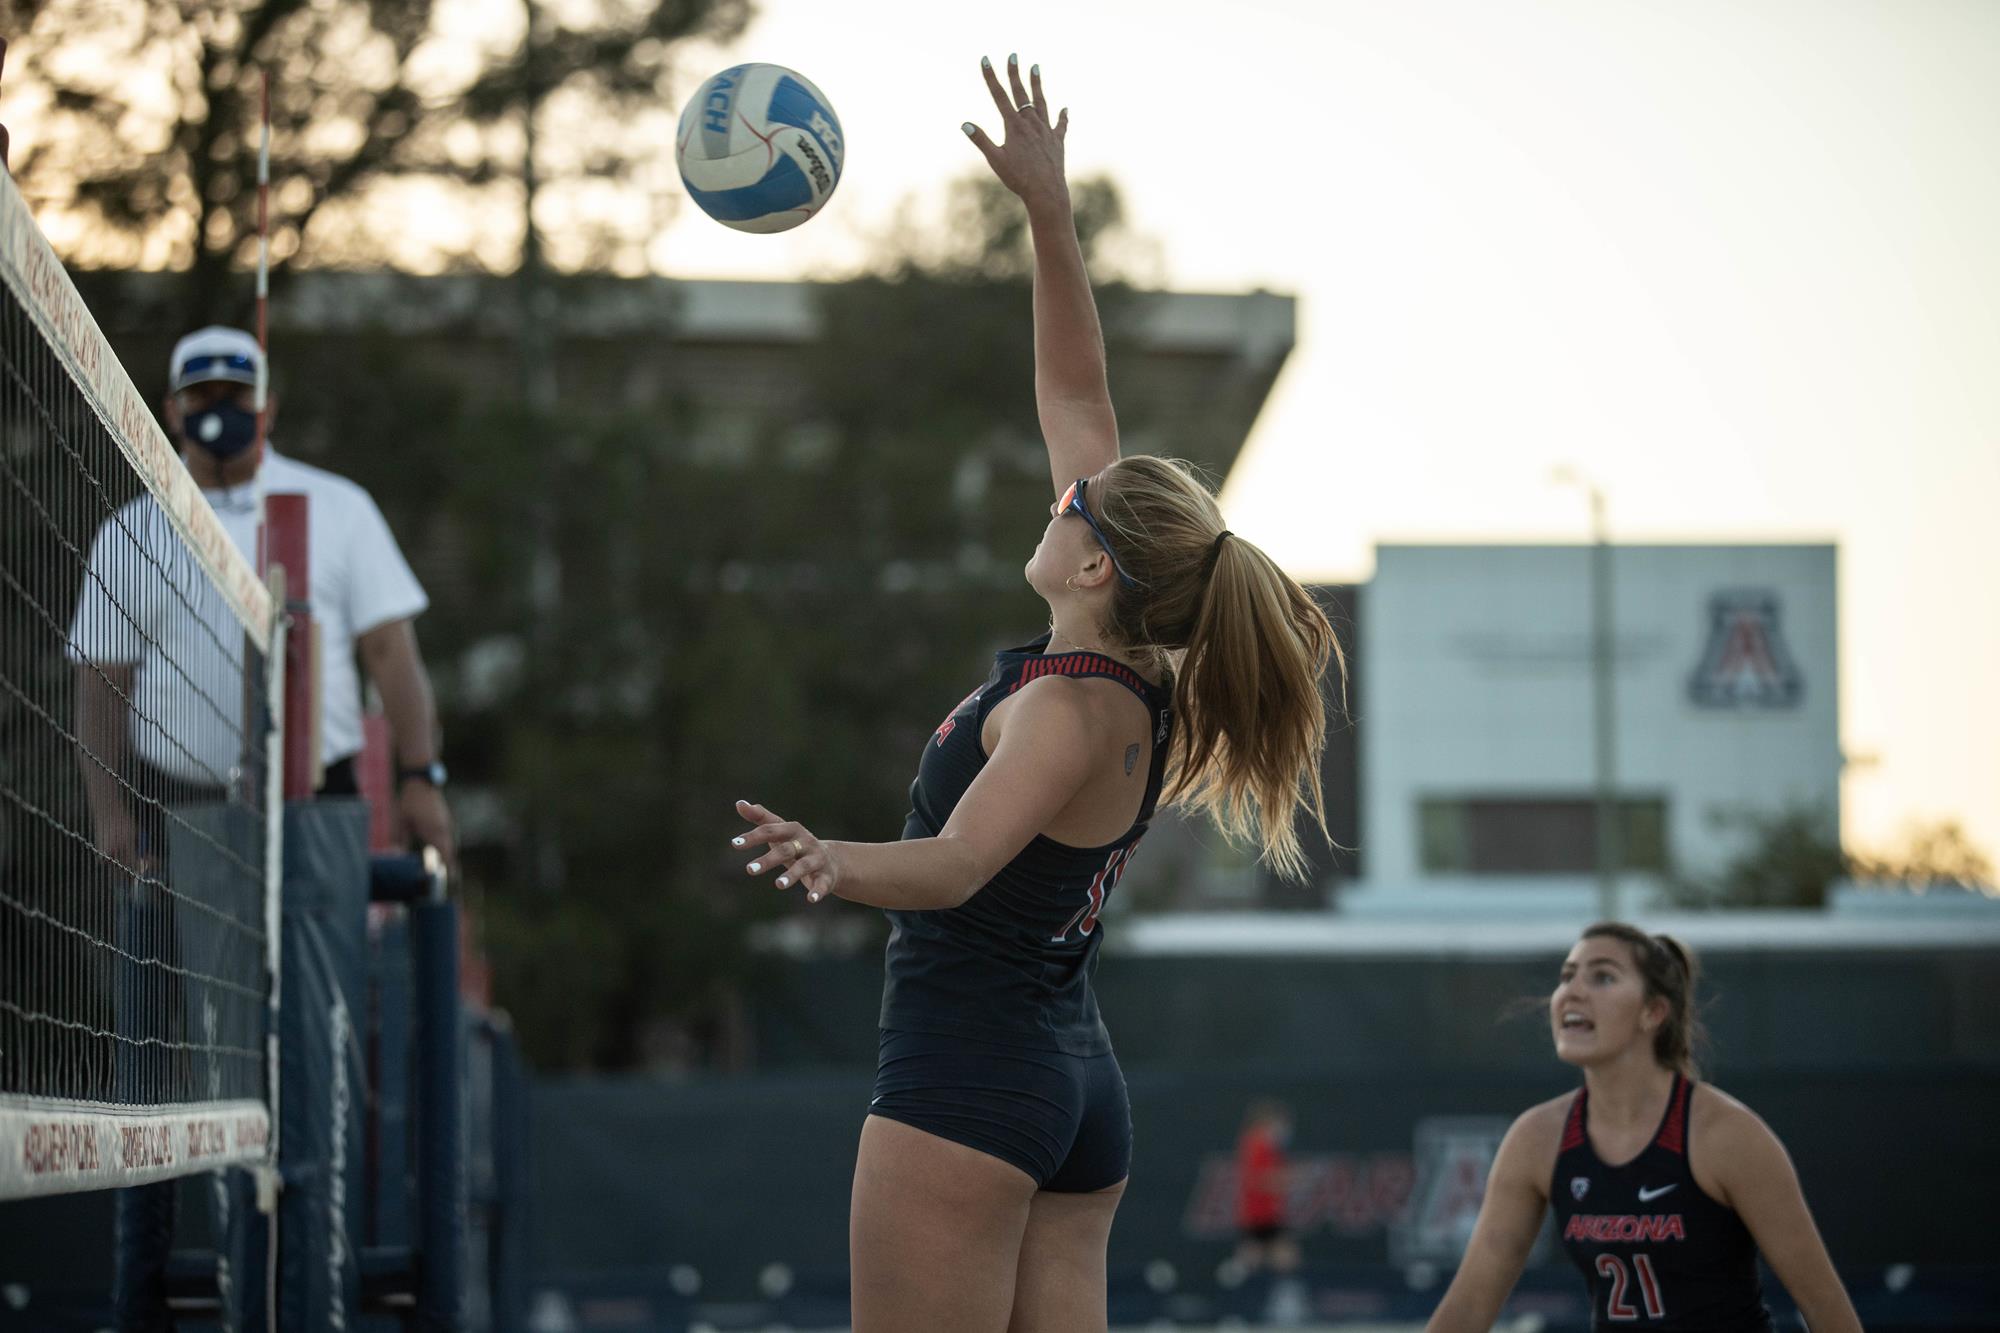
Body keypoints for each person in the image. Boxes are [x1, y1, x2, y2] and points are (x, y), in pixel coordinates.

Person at [730, 57, 1341, 1332]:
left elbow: (954, 868)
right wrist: (1046, 216)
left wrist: (824, 859)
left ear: (1093, 561)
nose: (1059, 487)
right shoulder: (1128, 665)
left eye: (1073, 500)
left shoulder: (1069, 712)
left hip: (971, 1084)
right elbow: (1075, 391)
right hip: (1063, 1083)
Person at [67, 325, 454, 1329]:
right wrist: (113, 817)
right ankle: (238, 1279)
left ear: (268, 404)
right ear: (168, 404)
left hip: (315, 810)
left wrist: (418, 777)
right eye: (200, 390)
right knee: (217, 1066)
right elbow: (100, 690)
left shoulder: (335, 508)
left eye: (236, 388)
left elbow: (394, 659)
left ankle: (316, 1283)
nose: (219, 407)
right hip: (191, 822)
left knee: (319, 1054)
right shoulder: (137, 528)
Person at [1424, 923, 1862, 1333]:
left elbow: (1827, 1309)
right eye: (1567, 976)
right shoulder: (1537, 1139)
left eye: (1602, 977)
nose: (1572, 991)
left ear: (1653, 1012)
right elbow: (1468, 1308)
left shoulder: (1725, 1135)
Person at [1233, 1100, 1301, 1277]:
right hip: (1259, 1214)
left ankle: (1252, 1292)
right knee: (1278, 1258)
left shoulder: (1267, 1147)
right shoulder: (1257, 1144)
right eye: (1279, 1122)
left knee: (1267, 1258)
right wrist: (1289, 1180)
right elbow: (1257, 1180)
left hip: (1267, 1213)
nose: (1282, 1128)